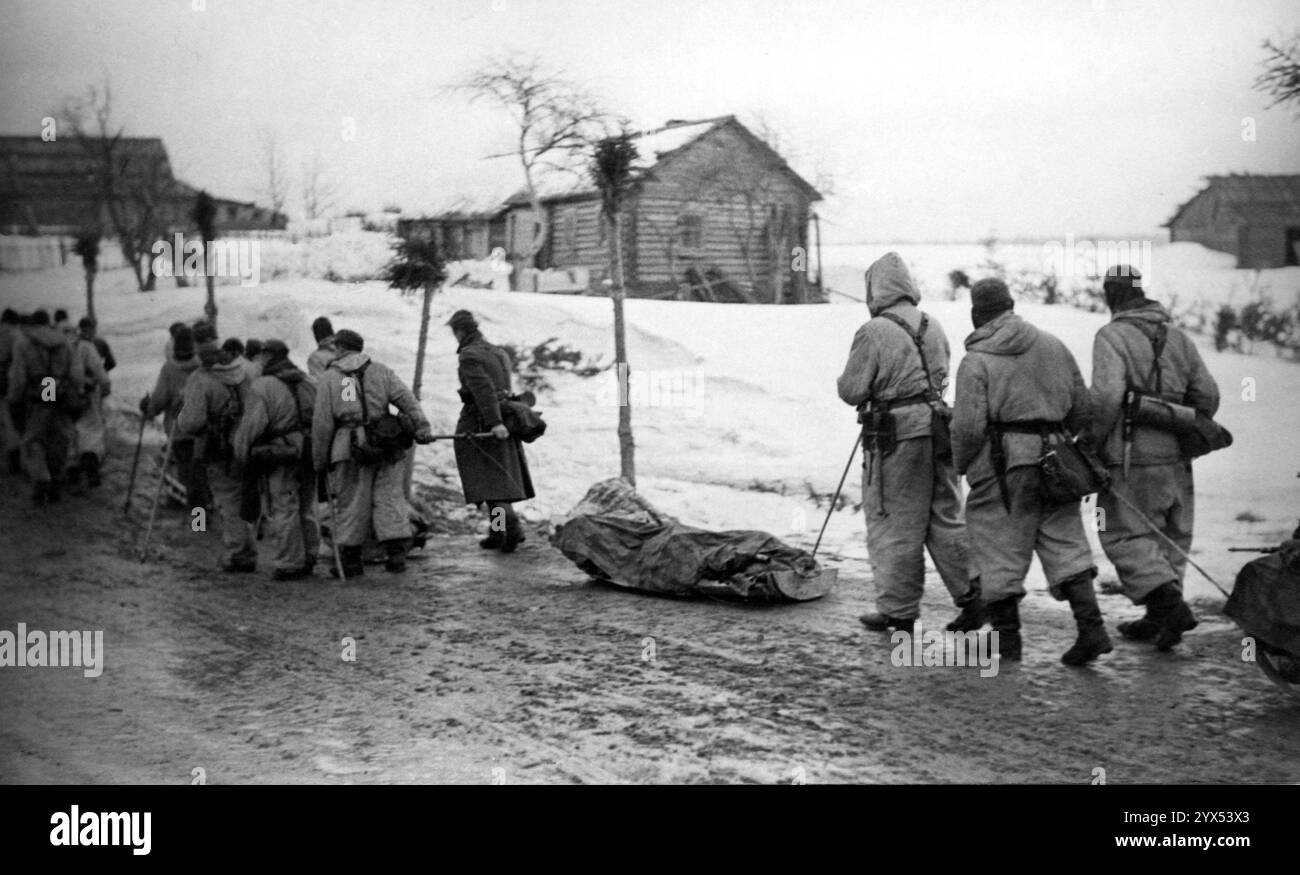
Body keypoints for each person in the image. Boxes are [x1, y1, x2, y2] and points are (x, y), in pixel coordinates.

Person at [952, 279, 1110, 666]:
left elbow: (968, 427)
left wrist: (962, 466)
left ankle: (1008, 642)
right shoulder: (1053, 345)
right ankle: (1092, 629)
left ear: (977, 314)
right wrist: (1056, 439)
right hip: (1057, 462)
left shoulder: (976, 361)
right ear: (1011, 305)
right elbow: (1083, 408)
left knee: (997, 546)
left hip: (1004, 464)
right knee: (1066, 542)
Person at [835, 252, 983, 634]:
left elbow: (852, 390)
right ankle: (975, 595)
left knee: (893, 520)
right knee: (946, 517)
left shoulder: (874, 331)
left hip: (893, 438)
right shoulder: (933, 326)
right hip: (938, 430)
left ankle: (899, 611)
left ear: (875, 289)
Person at [1087, 265, 1219, 651]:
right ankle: (1160, 617)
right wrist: (1176, 419)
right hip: (1177, 457)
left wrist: (1091, 443)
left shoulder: (1111, 336)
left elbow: (1107, 398)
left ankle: (1169, 607)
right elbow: (1208, 397)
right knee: (1171, 535)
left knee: (1123, 532)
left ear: (1111, 295)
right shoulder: (1179, 337)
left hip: (1130, 457)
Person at [311, 329, 432, 577]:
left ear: (341, 348)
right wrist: (422, 426)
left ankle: (351, 560)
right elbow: (406, 399)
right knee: (389, 497)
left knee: (353, 502)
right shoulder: (381, 371)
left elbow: (325, 422)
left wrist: (320, 458)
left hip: (352, 447)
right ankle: (396, 554)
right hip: (388, 443)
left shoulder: (338, 377)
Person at [449, 310, 535, 553]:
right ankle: (497, 532)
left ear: (459, 331)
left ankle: (512, 529)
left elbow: (483, 390)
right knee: (496, 482)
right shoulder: (497, 351)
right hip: (503, 418)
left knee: (491, 482)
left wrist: (494, 422)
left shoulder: (468, 355)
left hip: (483, 422)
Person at [234, 340, 319, 580]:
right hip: (310, 451)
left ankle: (290, 563)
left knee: (284, 507)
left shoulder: (263, 387)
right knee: (306, 506)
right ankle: (310, 555)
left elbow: (252, 426)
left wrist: (242, 453)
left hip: (281, 454)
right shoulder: (308, 382)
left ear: (268, 356)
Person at [177, 336, 257, 572]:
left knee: (211, 495)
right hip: (245, 443)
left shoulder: (200, 377)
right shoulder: (243, 372)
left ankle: (211, 535)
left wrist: (176, 412)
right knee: (239, 497)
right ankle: (244, 546)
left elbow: (191, 421)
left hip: (211, 446)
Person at [6, 310, 82, 505]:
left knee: (33, 439)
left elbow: (18, 377)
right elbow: (75, 374)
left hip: (36, 398)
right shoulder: (64, 343)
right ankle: (56, 479)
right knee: (59, 438)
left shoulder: (24, 344)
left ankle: (41, 477)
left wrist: (14, 399)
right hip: (60, 396)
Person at [142, 325, 210, 508]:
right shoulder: (204, 366)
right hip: (203, 432)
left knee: (186, 475)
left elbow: (159, 400)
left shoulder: (169, 369)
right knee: (201, 475)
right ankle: (202, 515)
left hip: (179, 432)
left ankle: (194, 517)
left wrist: (148, 407)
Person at [66, 317, 111, 490]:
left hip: (68, 395)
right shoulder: (88, 347)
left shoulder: (69, 344)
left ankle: (72, 470)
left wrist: (51, 397)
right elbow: (100, 372)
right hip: (88, 394)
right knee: (91, 431)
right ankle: (91, 471)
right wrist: (106, 385)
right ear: (89, 329)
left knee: (72, 430)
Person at [0, 309, 22, 474]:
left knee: (8, 422)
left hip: (5, 383)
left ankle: (13, 457)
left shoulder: (5, 333)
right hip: (43, 383)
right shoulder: (19, 335)